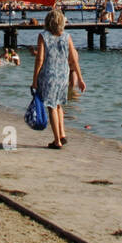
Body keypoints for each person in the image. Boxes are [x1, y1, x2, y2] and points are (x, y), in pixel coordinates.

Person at [30, 8, 85, 149]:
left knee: (52, 106)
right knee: (59, 105)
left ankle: (57, 141)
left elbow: (40, 59)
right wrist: (80, 78)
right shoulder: (67, 36)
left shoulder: (43, 36)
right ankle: (62, 134)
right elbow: (73, 59)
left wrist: (34, 79)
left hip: (49, 74)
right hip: (63, 75)